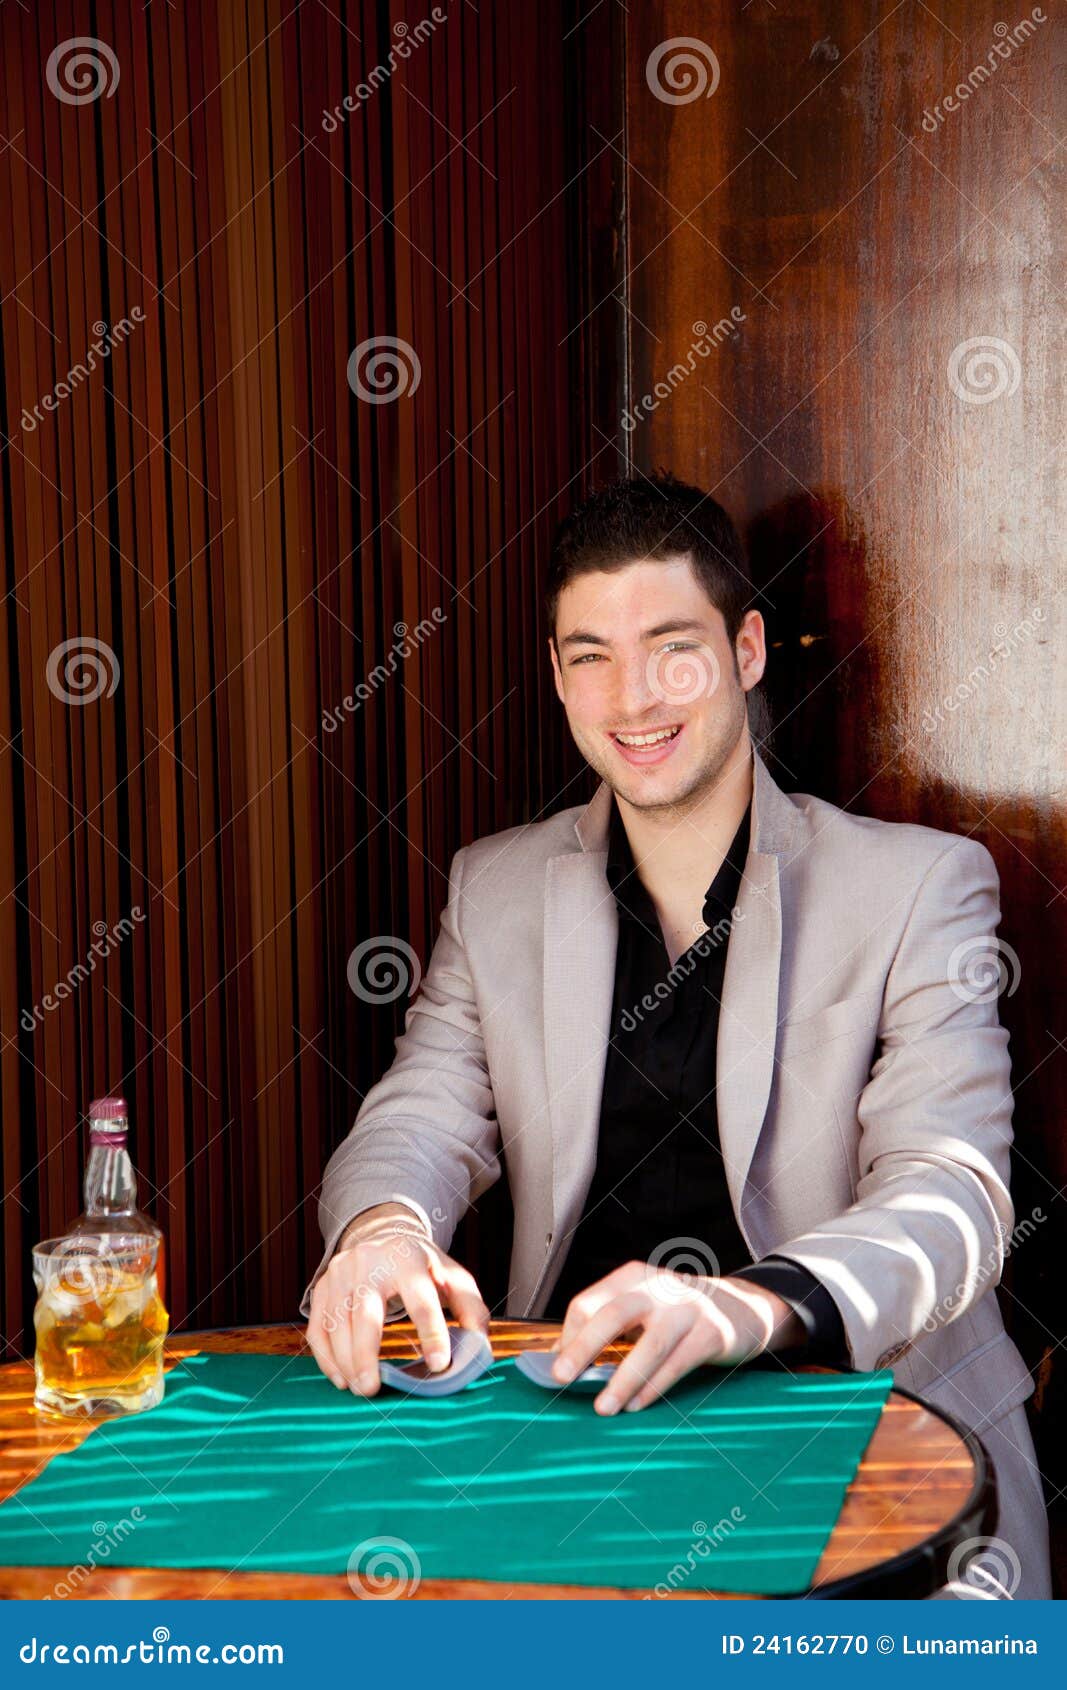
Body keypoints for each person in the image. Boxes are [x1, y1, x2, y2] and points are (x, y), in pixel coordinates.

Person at [300, 471, 1051, 1598]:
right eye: (590, 654)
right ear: (557, 676)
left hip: (875, 1446)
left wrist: (745, 1303)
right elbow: (420, 1112)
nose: (633, 697)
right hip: (579, 1444)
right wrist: (381, 1232)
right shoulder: (493, 887)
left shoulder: (920, 884)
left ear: (745, 651)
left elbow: (950, 1194)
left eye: (671, 644)